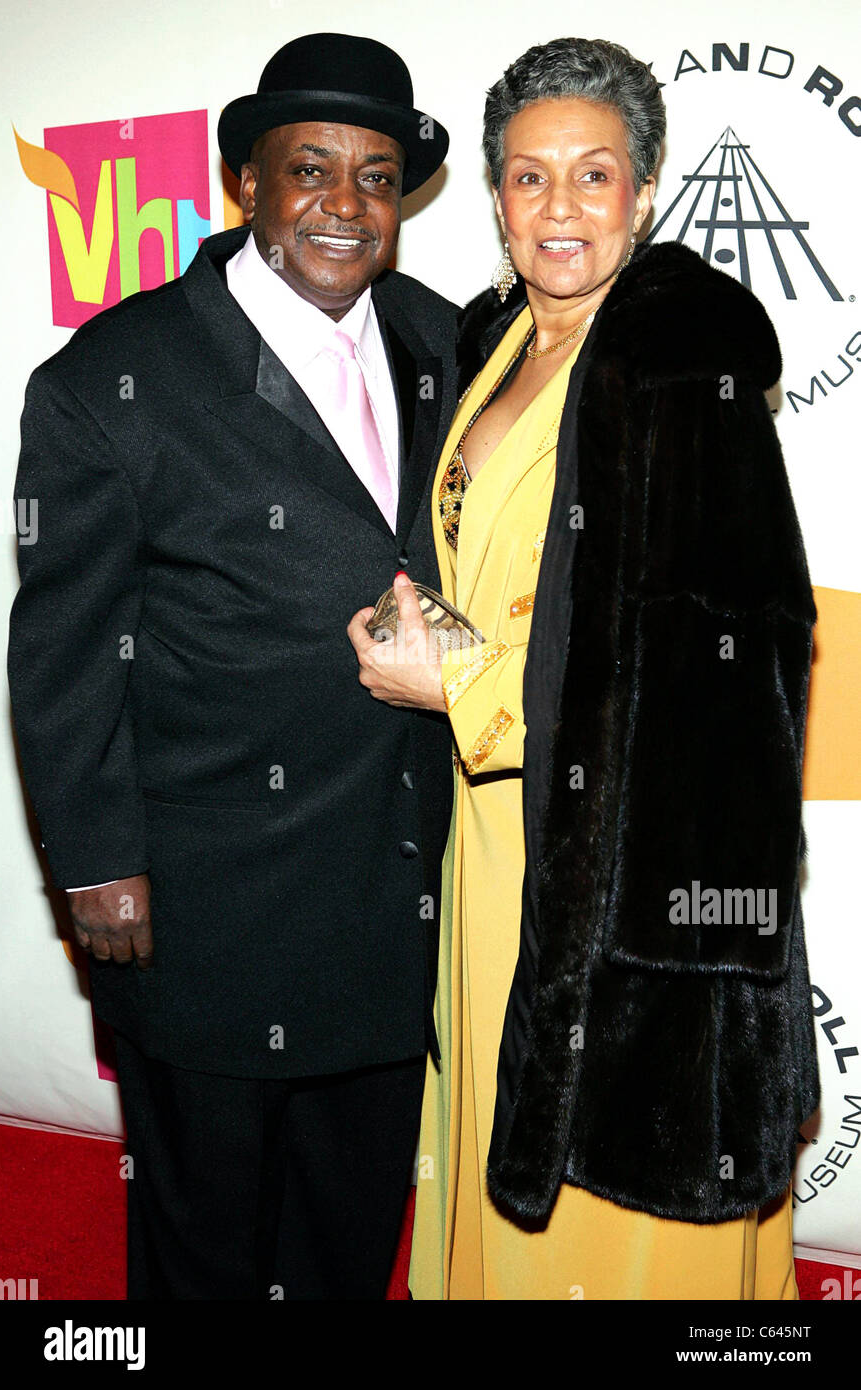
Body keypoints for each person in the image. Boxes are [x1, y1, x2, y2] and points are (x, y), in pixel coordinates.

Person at [348, 35, 820, 1299]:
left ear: (647, 191)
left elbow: (713, 667)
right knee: (500, 1129)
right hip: (492, 839)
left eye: (595, 175)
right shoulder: (498, 343)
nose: (560, 210)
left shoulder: (682, 365)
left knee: (604, 1178)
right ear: (495, 195)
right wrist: (434, 632)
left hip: (617, 859)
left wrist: (463, 688)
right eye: (529, 177)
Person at [8, 32, 457, 1300]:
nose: (344, 204)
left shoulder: (441, 339)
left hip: (397, 889)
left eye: (376, 175)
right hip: (210, 902)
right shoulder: (112, 377)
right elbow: (60, 647)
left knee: (350, 1220)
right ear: (244, 186)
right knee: (205, 1239)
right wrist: (97, 862)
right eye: (308, 168)